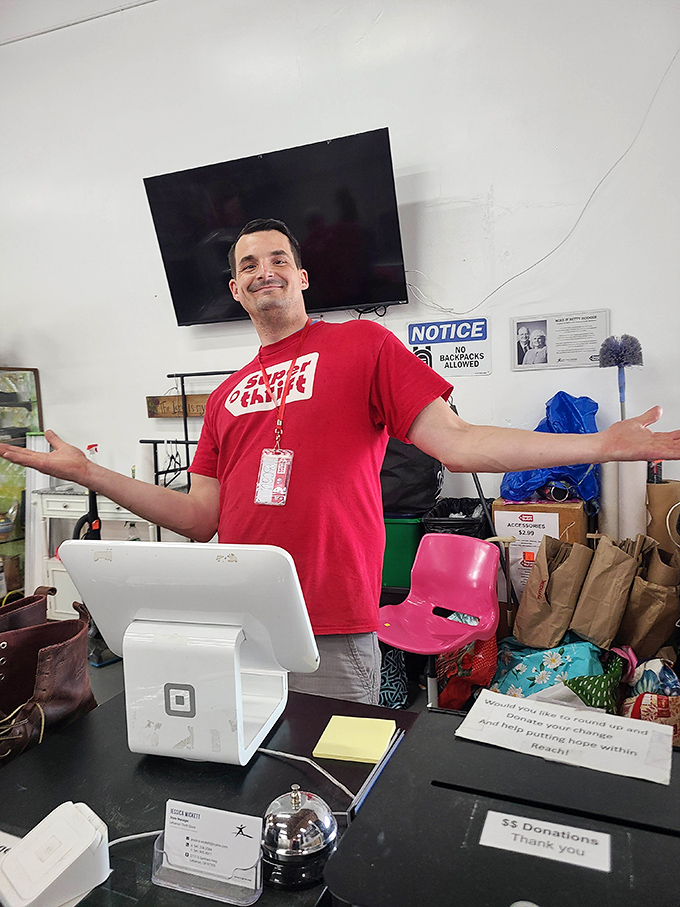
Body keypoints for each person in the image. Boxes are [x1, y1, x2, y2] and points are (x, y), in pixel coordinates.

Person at [2, 218, 680, 704]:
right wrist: (89, 473)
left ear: (300, 276)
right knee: (247, 781)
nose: (262, 270)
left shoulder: (362, 345)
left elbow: (458, 442)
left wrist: (601, 445)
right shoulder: (227, 397)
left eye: (276, 258)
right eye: (246, 265)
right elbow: (198, 517)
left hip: (332, 623)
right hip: (238, 624)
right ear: (235, 290)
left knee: (334, 787)